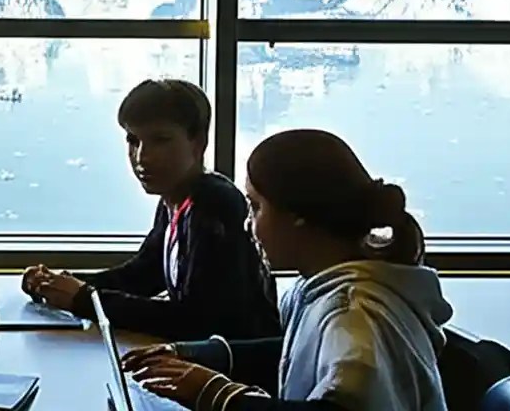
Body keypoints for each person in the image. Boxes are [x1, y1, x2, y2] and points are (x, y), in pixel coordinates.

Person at [124, 129, 453, 410]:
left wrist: (215, 394)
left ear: (297, 213)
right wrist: (197, 355)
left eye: (256, 207)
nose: (247, 223)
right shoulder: (321, 289)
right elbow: (294, 352)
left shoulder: (352, 314)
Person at [21, 79, 279, 341]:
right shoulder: (175, 199)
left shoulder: (215, 206)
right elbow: (142, 275)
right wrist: (61, 285)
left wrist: (86, 299)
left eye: (160, 141)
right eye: (133, 141)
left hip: (236, 374)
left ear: (198, 142)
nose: (142, 157)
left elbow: (196, 320)